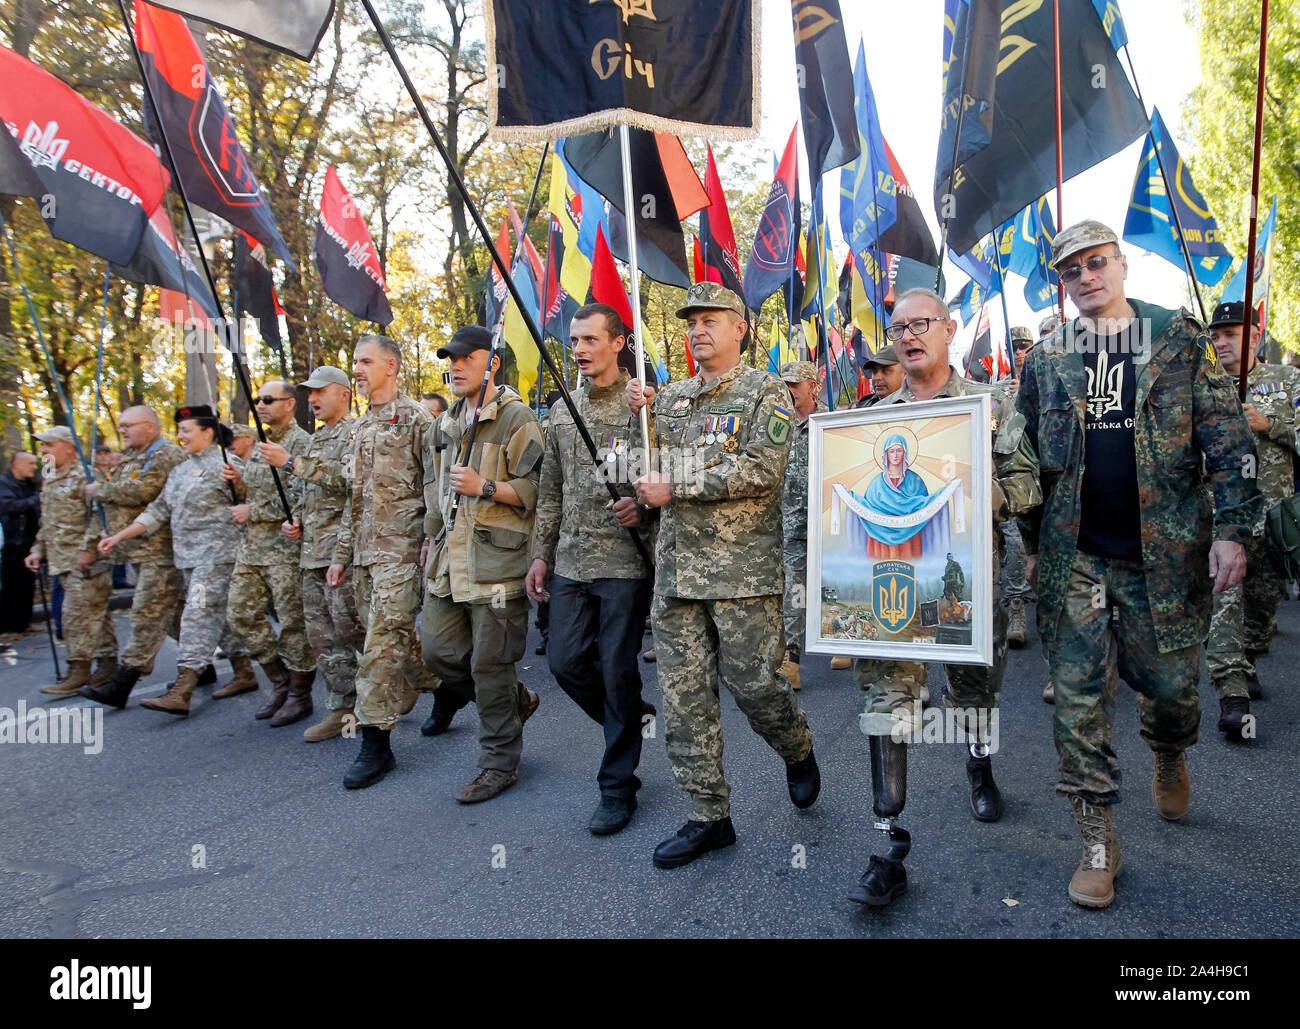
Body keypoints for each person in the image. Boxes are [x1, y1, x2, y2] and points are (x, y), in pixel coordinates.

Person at [1011, 219, 1259, 909]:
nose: (1085, 277)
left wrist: (1232, 531)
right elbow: (1022, 458)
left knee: (1172, 690)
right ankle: (1097, 843)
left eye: (1097, 262)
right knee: (1078, 706)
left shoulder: (1177, 340)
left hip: (1164, 558)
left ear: (1122, 265)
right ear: (1062, 285)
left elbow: (1227, 438)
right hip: (1077, 558)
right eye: (1071, 270)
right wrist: (1031, 544)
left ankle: (1168, 748)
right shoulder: (1048, 359)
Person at [845, 288, 1038, 908]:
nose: (908, 336)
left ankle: (979, 764)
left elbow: (1029, 483)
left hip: (965, 586)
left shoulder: (990, 404)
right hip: (892, 587)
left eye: (920, 324)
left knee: (975, 693)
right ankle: (887, 846)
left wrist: (986, 496)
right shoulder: (873, 421)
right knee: (887, 703)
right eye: (898, 327)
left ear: (949, 329)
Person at [626, 282, 818, 869]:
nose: (698, 330)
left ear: (740, 329)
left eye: (711, 320)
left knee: (756, 687)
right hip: (676, 574)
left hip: (742, 576)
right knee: (683, 699)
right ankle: (709, 815)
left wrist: (677, 485)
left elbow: (762, 469)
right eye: (691, 322)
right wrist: (633, 416)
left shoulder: (766, 392)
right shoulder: (670, 398)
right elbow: (638, 464)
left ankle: (797, 747)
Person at [527, 304, 654, 833]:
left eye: (590, 339)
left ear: (618, 343)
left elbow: (667, 478)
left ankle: (617, 786)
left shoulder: (642, 406)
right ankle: (628, 718)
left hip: (624, 563)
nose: (579, 349)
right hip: (572, 562)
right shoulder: (562, 410)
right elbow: (550, 491)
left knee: (616, 669)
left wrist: (642, 508)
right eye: (575, 340)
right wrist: (541, 553)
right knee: (564, 663)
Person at [422, 325, 544, 804]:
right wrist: (429, 538)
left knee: (489, 666)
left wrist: (485, 487)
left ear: (491, 363)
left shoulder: (517, 418)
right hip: (448, 562)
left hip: (497, 564)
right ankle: (518, 702)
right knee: (438, 653)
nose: (455, 367)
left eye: (465, 359)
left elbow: (536, 491)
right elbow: (434, 487)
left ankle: (498, 764)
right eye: (450, 360)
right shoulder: (445, 423)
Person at [96, 406, 251, 716]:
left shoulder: (228, 465)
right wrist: (119, 536)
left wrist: (239, 482)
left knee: (197, 615)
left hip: (217, 557)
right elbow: (158, 511)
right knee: (218, 617)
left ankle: (183, 689)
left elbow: (255, 498)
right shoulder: (180, 470)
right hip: (188, 560)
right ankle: (245, 671)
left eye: (186, 430)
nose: (180, 436)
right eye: (179, 430)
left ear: (207, 432)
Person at [341, 335, 443, 789]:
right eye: (356, 362)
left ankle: (375, 743)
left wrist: (432, 539)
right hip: (365, 554)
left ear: (391, 367)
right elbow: (354, 498)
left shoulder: (417, 419)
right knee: (394, 640)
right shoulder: (361, 426)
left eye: (366, 362)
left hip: (402, 553)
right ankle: (445, 688)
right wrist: (341, 554)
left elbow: (436, 485)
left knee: (380, 647)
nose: (358, 370)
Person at [1204, 301, 1300, 737]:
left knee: (1263, 606)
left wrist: (1270, 424)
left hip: (1274, 518)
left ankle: (1249, 657)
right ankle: (1232, 694)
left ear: (1255, 337)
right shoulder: (1203, 387)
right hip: (1223, 519)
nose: (1221, 343)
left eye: (1231, 334)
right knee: (1225, 600)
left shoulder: (1288, 381)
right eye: (1215, 336)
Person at [260, 366, 367, 742]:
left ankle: (421, 680)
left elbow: (349, 480)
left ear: (344, 394)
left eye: (321, 391)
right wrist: (297, 521)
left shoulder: (357, 432)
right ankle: (344, 709)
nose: (314, 399)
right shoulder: (315, 440)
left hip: (344, 553)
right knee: (324, 639)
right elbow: (308, 493)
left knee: (357, 631)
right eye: (310, 393)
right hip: (312, 553)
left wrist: (291, 462)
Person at [217, 381, 315, 725]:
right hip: (252, 549)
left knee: (292, 623)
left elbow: (303, 498)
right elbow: (259, 491)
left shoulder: (301, 443)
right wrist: (237, 481)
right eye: (259, 399)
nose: (261, 405)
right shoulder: (261, 444)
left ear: (289, 404)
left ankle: (300, 694)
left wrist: (253, 510)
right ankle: (279, 681)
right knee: (239, 615)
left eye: (269, 399)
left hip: (284, 551)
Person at [79, 406, 187, 707]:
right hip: (136, 549)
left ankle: (122, 684)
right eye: (121, 425)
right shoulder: (129, 457)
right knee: (173, 617)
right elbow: (116, 503)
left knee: (146, 613)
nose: (122, 430)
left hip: (159, 549)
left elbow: (143, 491)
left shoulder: (165, 454)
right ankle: (203, 667)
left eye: (128, 425)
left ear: (150, 426)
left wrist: (101, 489)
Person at [25, 427, 116, 695]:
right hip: (62, 559)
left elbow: (101, 515)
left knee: (74, 616)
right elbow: (48, 520)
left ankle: (79, 669)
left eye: (50, 445)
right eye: (42, 446)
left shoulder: (86, 475)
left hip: (85, 559)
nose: (44, 450)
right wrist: (37, 549)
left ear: (69, 448)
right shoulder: (51, 477)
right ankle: (108, 665)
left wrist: (88, 548)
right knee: (95, 614)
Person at [777, 360, 826, 690]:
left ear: (814, 387)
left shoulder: (832, 423)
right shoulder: (777, 425)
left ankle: (843, 641)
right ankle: (791, 658)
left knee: (832, 585)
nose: (789, 390)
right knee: (795, 589)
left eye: (795, 384)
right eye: (785, 384)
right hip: (791, 523)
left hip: (828, 522)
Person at [0, 451, 40, 636]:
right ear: (16, 464)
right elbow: (10, 506)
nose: (34, 467)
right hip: (10, 541)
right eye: (30, 463)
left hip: (28, 540)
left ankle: (23, 622)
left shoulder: (31, 485)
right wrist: (36, 499)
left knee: (27, 583)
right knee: (10, 583)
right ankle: (8, 625)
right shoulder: (4, 483)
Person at [857, 343, 905, 408]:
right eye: (874, 371)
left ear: (906, 372)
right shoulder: (863, 405)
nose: (877, 378)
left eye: (886, 371)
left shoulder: (915, 403)